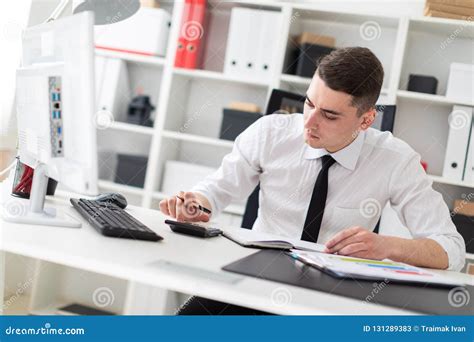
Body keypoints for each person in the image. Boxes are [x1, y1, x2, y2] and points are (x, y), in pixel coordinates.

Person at [159, 47, 466, 315]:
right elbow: (217, 189)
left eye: (329, 115)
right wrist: (196, 204)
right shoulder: (270, 133)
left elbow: (451, 250)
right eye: (309, 103)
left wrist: (387, 246)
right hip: (254, 278)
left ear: (366, 119)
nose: (309, 122)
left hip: (332, 298)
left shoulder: (395, 160)